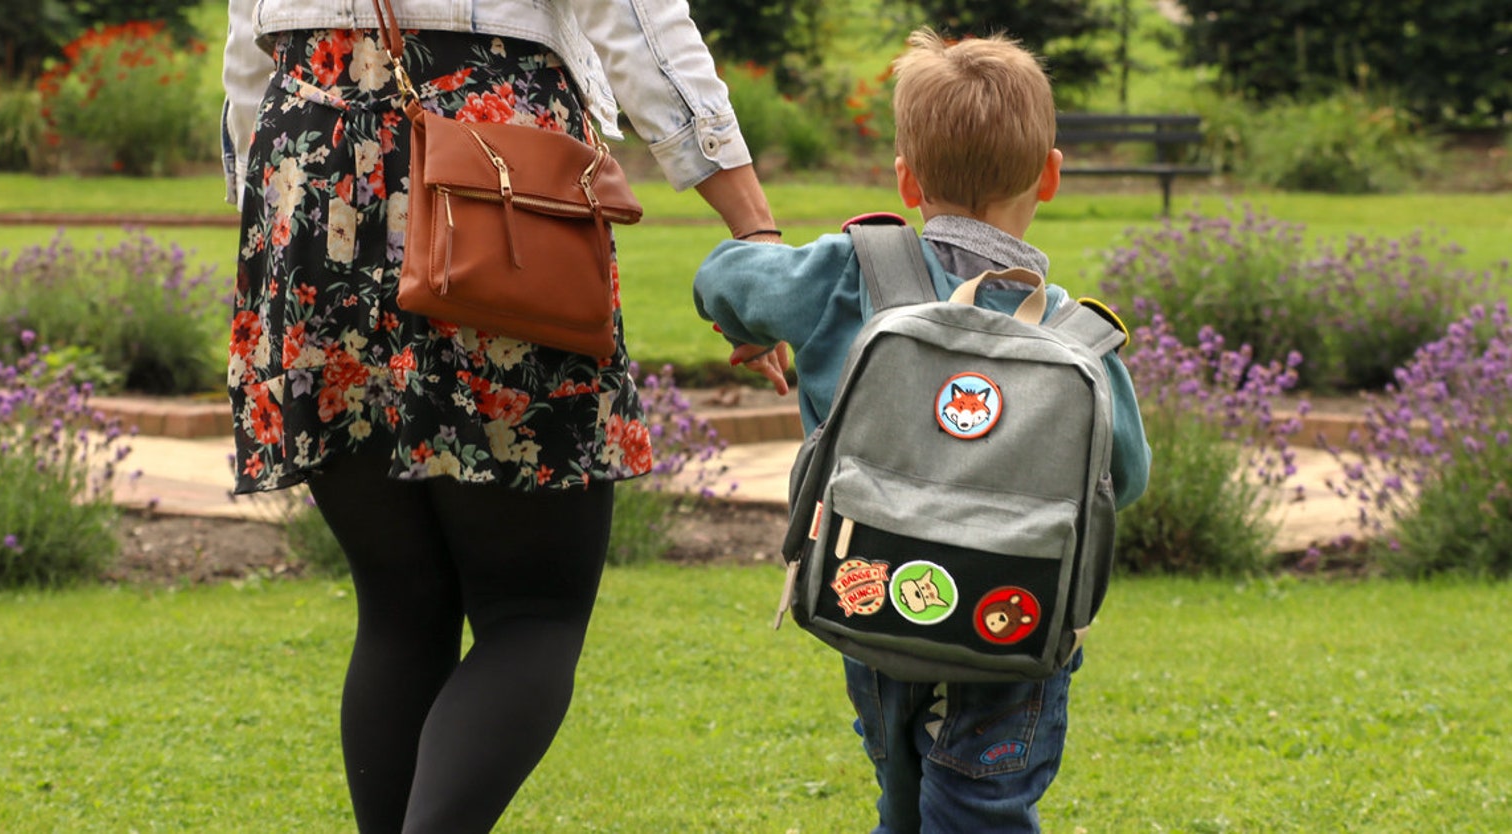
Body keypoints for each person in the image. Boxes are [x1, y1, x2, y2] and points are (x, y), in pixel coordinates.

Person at [219, 2, 783, 831]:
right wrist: (754, 231)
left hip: (305, 173)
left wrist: (265, 209)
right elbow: (636, 19)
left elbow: (246, 53)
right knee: (534, 613)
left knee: (399, 605)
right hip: (490, 170)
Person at [693, 29, 1151, 833]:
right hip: (1013, 622)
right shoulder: (1079, 343)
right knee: (980, 803)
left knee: (901, 791)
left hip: (869, 603)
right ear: (1051, 174)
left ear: (905, 180)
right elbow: (1128, 476)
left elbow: (720, 279)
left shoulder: (846, 275)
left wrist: (754, 319)